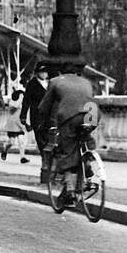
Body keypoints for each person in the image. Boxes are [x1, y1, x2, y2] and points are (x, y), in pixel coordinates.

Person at [38, 67, 98, 201]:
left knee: (66, 151)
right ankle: (88, 165)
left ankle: (70, 189)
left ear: (61, 70)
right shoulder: (85, 82)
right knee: (85, 137)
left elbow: (44, 107)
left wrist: (41, 123)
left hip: (70, 115)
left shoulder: (56, 81)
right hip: (92, 113)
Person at [22, 64, 52, 183]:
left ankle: (48, 165)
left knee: (50, 141)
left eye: (46, 72)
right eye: (42, 72)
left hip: (50, 117)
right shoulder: (32, 84)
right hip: (37, 116)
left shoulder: (51, 84)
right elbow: (26, 100)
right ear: (37, 73)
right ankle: (44, 163)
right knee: (41, 141)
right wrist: (23, 115)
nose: (44, 74)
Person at [0, 70, 28, 162]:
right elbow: (15, 106)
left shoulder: (22, 102)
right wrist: (20, 99)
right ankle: (5, 149)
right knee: (11, 142)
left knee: (21, 141)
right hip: (12, 125)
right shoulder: (12, 101)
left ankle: (22, 157)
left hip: (19, 123)